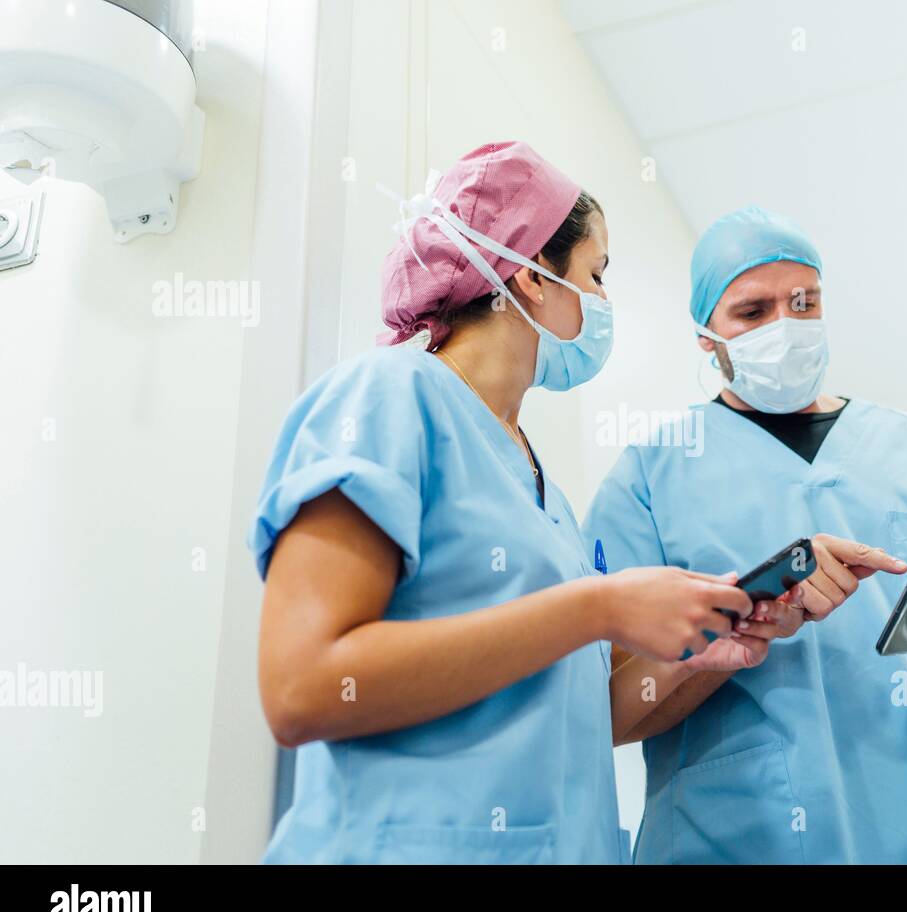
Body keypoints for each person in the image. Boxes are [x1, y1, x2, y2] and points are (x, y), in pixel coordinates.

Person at [249, 142, 761, 864]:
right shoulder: (387, 397)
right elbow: (303, 686)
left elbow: (584, 711)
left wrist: (709, 647)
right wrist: (600, 607)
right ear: (530, 277)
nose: (605, 304)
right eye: (596, 274)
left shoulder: (539, 484)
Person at [583, 205, 907, 864]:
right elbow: (608, 709)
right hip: (740, 840)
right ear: (705, 336)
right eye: (752, 313)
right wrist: (742, 621)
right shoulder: (651, 478)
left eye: (804, 302)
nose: (786, 326)